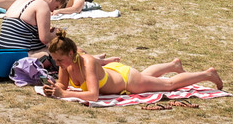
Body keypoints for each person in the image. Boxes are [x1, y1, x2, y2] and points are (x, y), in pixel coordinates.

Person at [42, 29, 222, 101]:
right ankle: (173, 65)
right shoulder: (65, 63)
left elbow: (93, 95)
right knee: (146, 76)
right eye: (55, 60)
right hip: (115, 74)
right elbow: (62, 85)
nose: (57, 64)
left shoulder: (87, 61)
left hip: (128, 81)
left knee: (168, 85)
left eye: (59, 60)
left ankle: (207, 74)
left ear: (71, 53)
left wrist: (64, 94)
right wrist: (54, 88)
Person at [0, 0, 70, 54]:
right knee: (62, 52)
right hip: (20, 55)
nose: (53, 10)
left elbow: (21, 29)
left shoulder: (22, 0)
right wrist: (55, 34)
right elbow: (45, 39)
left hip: (2, 51)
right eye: (56, 6)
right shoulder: (42, 5)